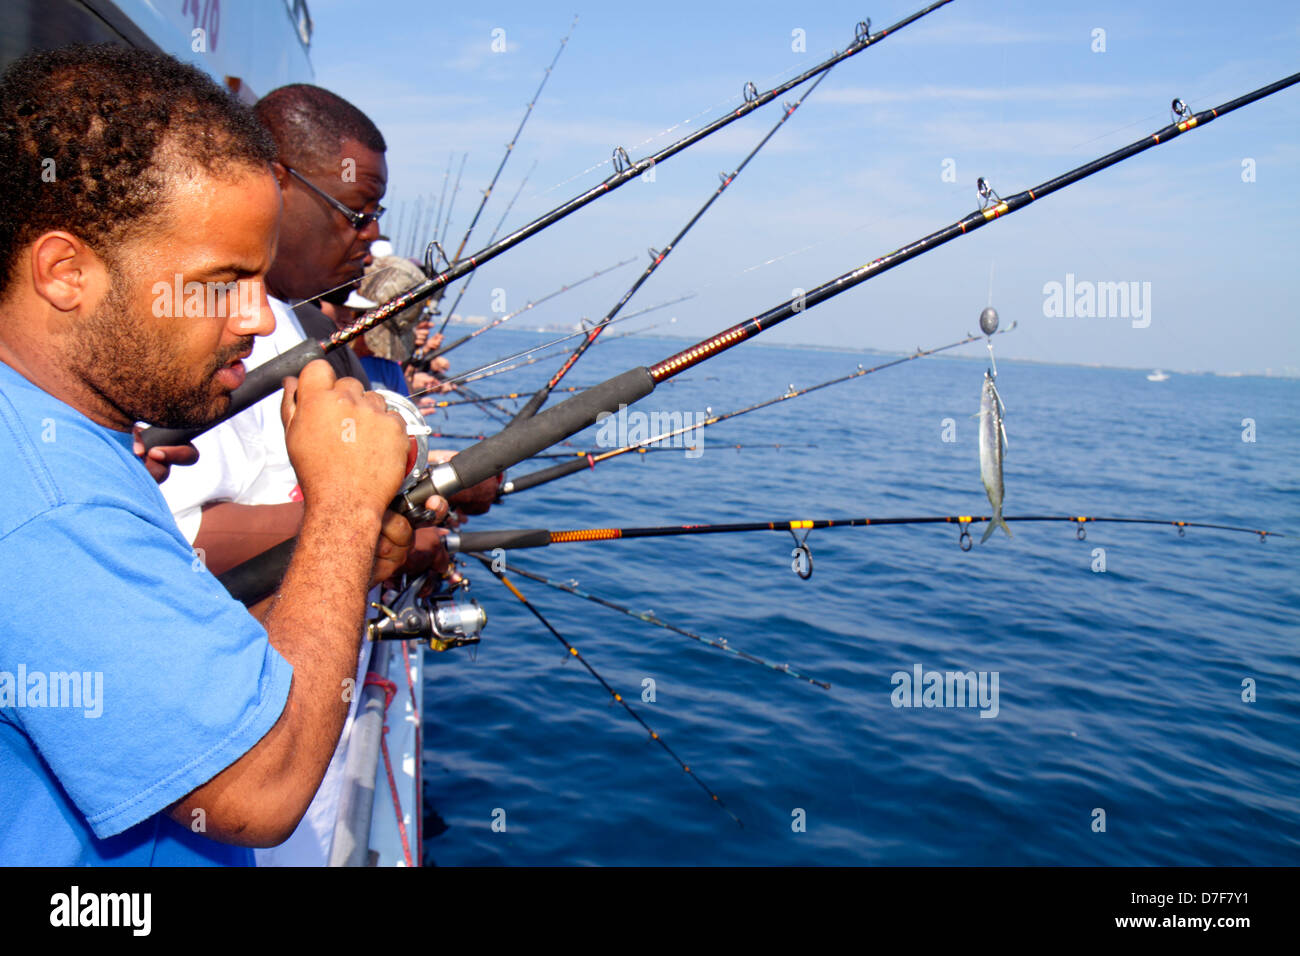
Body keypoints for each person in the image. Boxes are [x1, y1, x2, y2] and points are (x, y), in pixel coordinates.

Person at [0, 44, 433, 865]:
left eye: (260, 280)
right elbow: (259, 787)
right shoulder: (51, 504)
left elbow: (194, 681)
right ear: (65, 272)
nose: (257, 318)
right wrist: (344, 506)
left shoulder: (66, 440)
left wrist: (341, 561)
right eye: (222, 280)